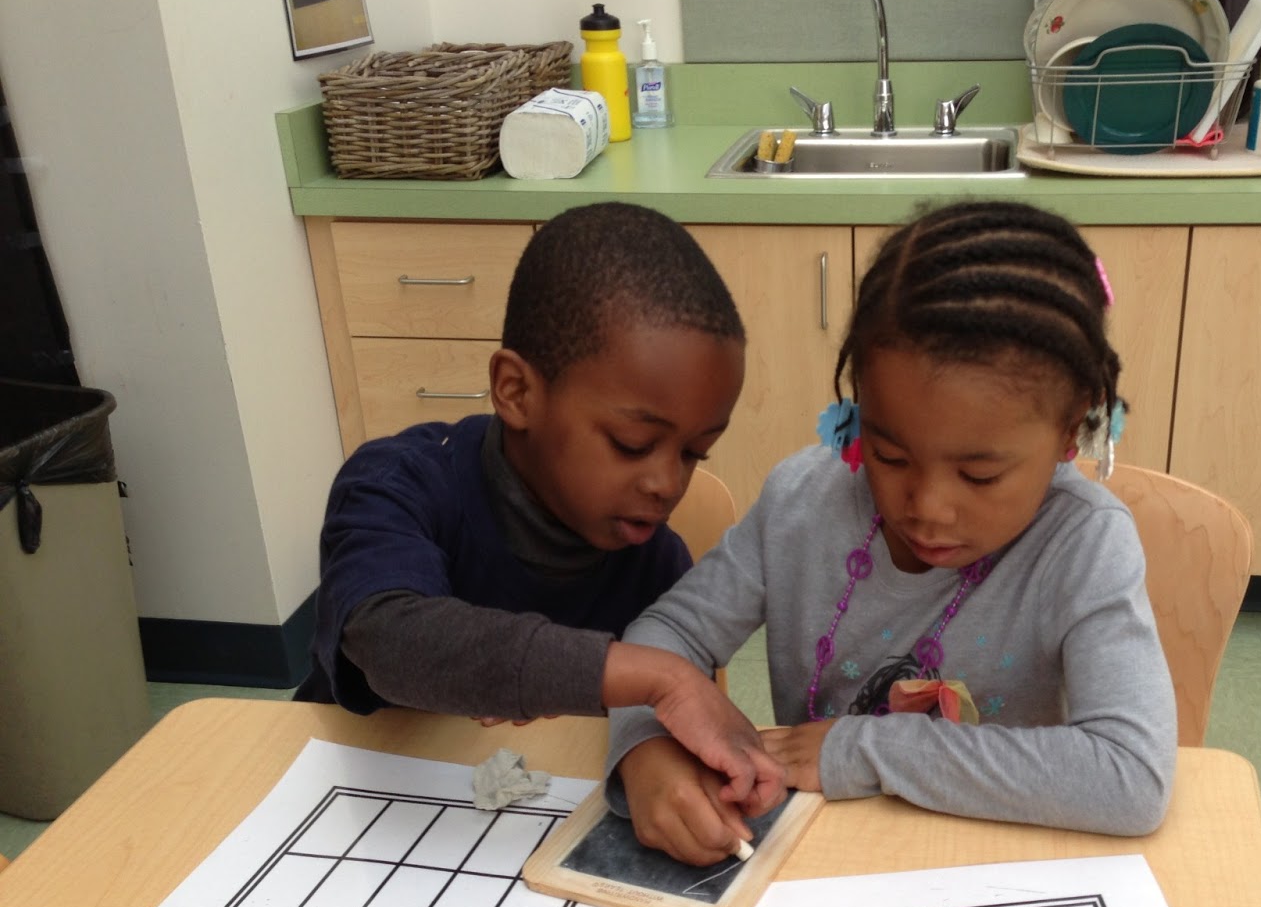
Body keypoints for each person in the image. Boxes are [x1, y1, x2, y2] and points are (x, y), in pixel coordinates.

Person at [604, 200, 1177, 865]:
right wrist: (646, 751)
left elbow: (1131, 776)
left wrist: (863, 747)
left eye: (979, 474)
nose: (928, 507)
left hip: (998, 866)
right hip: (818, 861)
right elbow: (662, 639)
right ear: (860, 408)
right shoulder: (802, 503)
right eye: (891, 455)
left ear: (1071, 427)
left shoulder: (1086, 546)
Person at [296, 202, 781, 812]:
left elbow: (670, 729)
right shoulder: (398, 484)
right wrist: (655, 676)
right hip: (351, 796)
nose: (665, 483)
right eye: (632, 444)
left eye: (694, 453)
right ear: (517, 391)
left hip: (526, 827)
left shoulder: (655, 564)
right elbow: (390, 639)